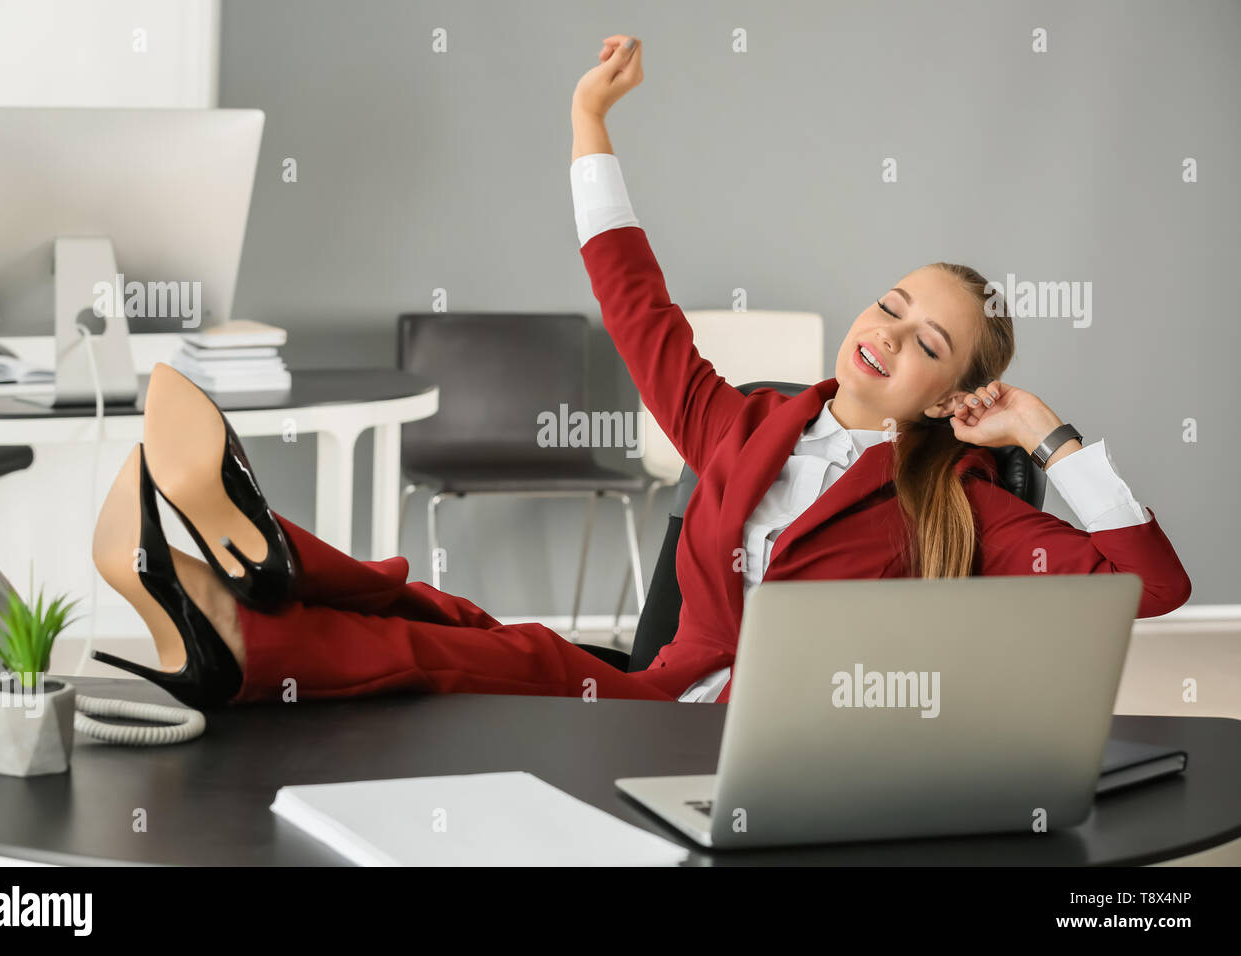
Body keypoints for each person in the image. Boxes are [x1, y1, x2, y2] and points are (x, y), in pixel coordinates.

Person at [90, 34, 1191, 711]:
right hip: (661, 689)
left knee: (468, 658)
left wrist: (1046, 434)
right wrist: (587, 123)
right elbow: (636, 303)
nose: (888, 333)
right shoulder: (744, 422)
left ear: (953, 397)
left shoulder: (953, 504)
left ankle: (238, 615)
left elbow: (1152, 589)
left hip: (726, 734)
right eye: (891, 304)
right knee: (463, 616)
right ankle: (254, 560)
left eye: (928, 344)